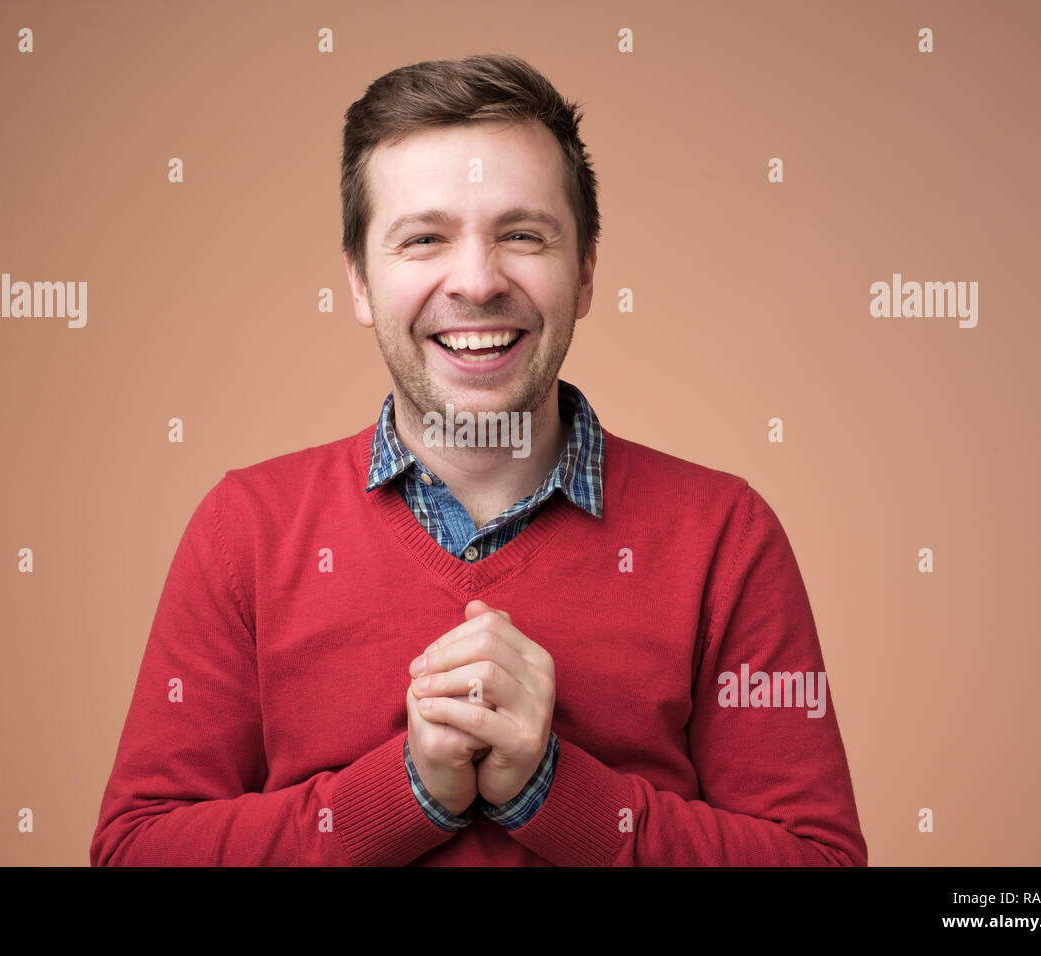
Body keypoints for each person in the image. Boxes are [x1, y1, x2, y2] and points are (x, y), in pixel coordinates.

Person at [89, 52, 867, 866]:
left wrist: (552, 790)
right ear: (358, 281)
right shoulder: (243, 531)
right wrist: (406, 792)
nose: (476, 281)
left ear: (587, 271)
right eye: (424, 238)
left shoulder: (725, 536)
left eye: (522, 235)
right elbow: (135, 854)